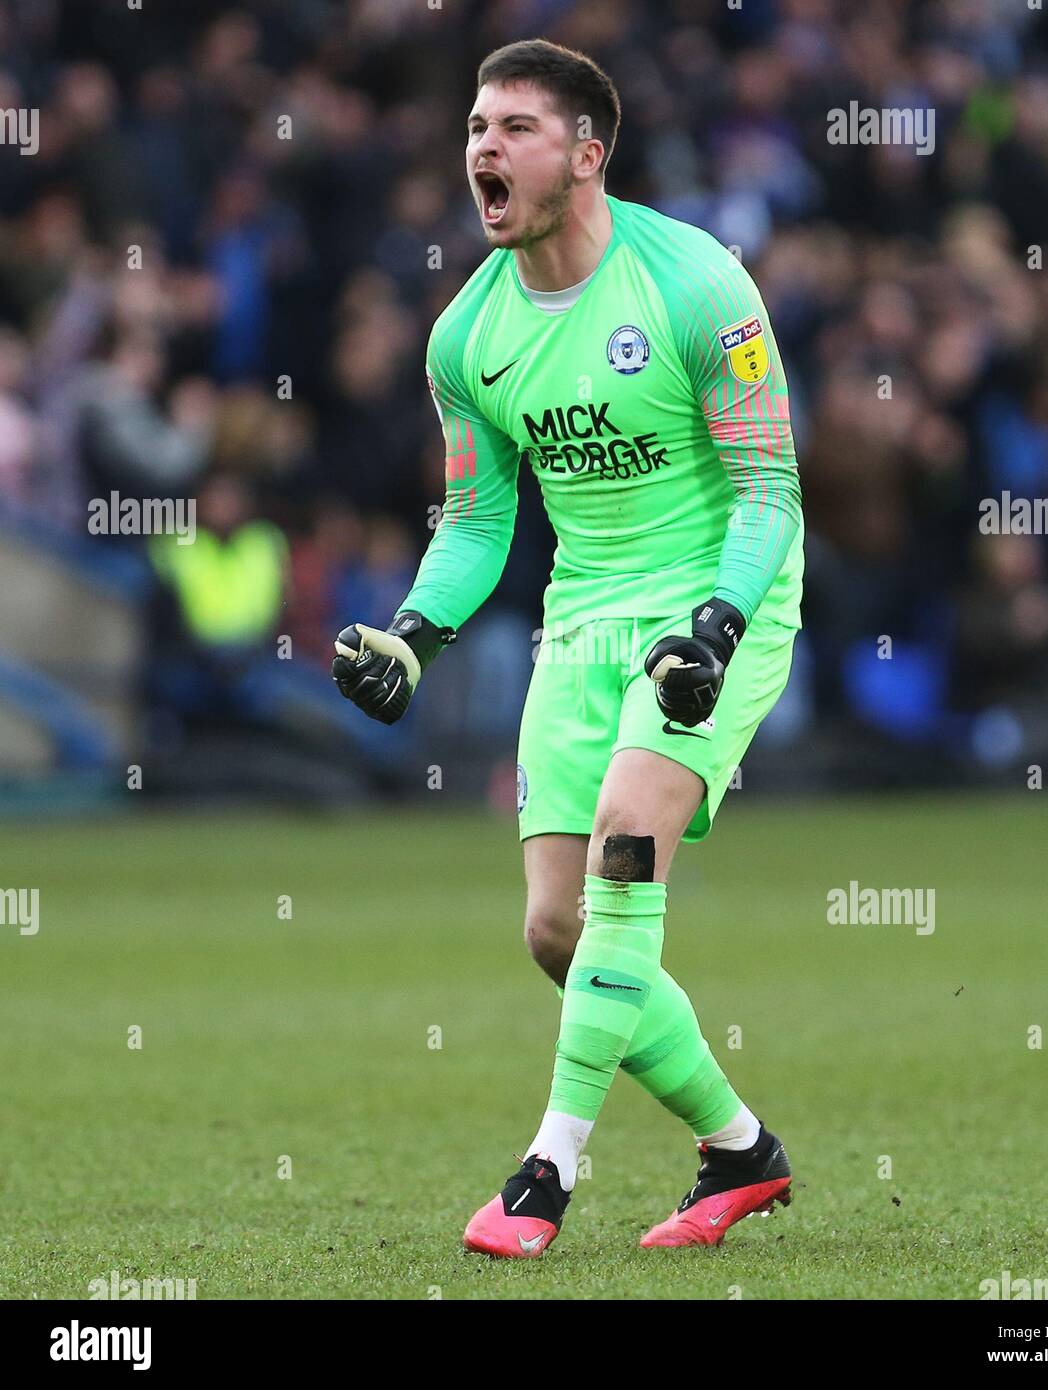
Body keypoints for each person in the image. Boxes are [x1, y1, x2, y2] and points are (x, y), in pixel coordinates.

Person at [332, 39, 804, 1257]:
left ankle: (546, 1168)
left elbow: (766, 490)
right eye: (476, 127)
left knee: (624, 854)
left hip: (713, 604)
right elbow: (480, 518)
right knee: (555, 929)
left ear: (586, 153)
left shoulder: (697, 284)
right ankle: (740, 1147)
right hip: (581, 615)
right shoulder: (464, 339)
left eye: (515, 128)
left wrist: (717, 619)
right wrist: (414, 636)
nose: (482, 147)